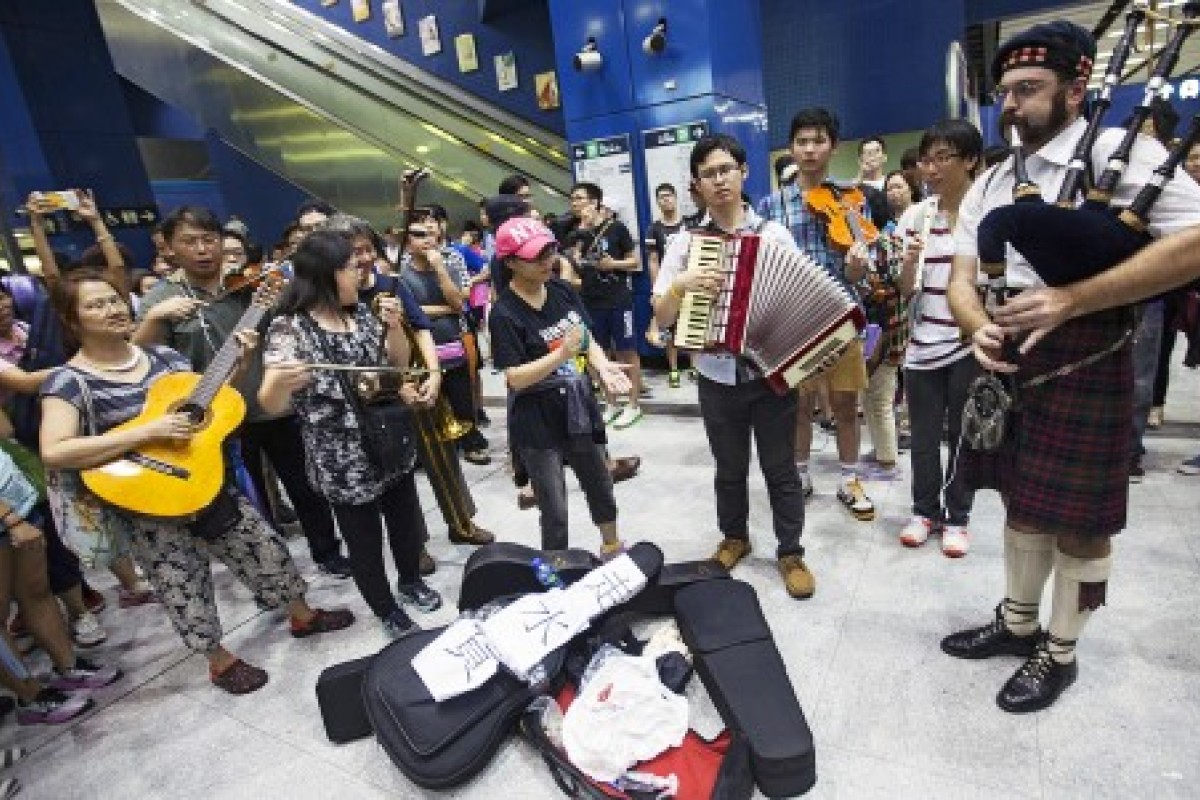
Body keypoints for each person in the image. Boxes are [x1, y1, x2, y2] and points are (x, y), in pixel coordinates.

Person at [945, 20, 1200, 712]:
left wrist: (1073, 298)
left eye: (1030, 89)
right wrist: (975, 327)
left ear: (1076, 88)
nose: (1013, 106)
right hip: (1007, 357)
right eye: (1006, 92)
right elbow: (961, 274)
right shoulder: (993, 177)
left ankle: (1060, 654)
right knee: (1022, 504)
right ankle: (1018, 623)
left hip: (1089, 354)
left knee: (1081, 521)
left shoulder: (1125, 154)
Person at [41, 269, 354, 694]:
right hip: (146, 503)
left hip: (205, 481)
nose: (112, 309)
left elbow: (209, 405)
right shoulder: (69, 381)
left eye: (114, 299)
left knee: (264, 549)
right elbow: (55, 450)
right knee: (181, 584)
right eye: (95, 304)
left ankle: (302, 613)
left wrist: (240, 363)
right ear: (70, 319)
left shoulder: (164, 359)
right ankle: (218, 660)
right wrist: (147, 432)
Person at [135, 207, 354, 581]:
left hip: (273, 408)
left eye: (210, 239)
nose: (203, 249)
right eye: (190, 242)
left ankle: (327, 551)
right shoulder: (162, 298)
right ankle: (270, 568)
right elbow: (143, 356)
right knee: (247, 499)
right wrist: (156, 319)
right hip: (214, 419)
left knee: (306, 484)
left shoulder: (249, 283)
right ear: (169, 248)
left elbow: (294, 324)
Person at [261, 232, 442, 639]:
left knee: (406, 522)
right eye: (351, 267)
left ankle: (411, 580)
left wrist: (394, 327)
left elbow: (394, 366)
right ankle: (386, 608)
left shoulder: (360, 314)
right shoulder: (289, 329)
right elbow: (271, 403)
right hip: (341, 456)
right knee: (364, 540)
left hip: (387, 435)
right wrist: (280, 384)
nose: (362, 273)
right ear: (326, 274)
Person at [654, 134, 812, 599]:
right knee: (728, 467)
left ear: (743, 172)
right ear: (697, 186)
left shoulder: (774, 235)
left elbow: (801, 298)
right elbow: (661, 316)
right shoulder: (686, 242)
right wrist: (681, 284)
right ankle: (734, 537)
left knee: (781, 468)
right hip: (716, 374)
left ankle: (791, 551)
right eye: (708, 173)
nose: (719, 179)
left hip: (770, 375)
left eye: (726, 169)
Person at [333, 214, 495, 562]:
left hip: (416, 379)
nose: (361, 259)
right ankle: (415, 545)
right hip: (373, 397)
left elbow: (421, 328)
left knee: (443, 459)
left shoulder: (389, 283)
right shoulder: (331, 298)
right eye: (351, 252)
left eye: (366, 250)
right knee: (399, 474)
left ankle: (462, 522)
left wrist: (434, 375)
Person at [758, 107, 875, 521]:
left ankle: (849, 478)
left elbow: (865, 269)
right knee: (798, 408)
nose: (809, 150)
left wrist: (859, 270)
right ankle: (801, 475)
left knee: (846, 405)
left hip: (843, 315)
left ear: (833, 146)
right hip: (794, 324)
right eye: (802, 142)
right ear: (791, 148)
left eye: (818, 141)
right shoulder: (770, 206)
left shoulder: (852, 200)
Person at [489, 217, 630, 556]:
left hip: (578, 406)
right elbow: (515, 377)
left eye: (549, 252)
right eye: (535, 256)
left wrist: (602, 365)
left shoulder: (562, 290)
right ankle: (557, 567)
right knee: (553, 506)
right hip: (536, 418)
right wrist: (561, 354)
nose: (546, 261)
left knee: (599, 483)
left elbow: (583, 337)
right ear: (510, 262)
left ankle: (612, 546)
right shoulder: (504, 313)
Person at [895, 118, 983, 556]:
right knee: (924, 436)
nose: (931, 169)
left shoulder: (985, 214)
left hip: (967, 344)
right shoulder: (917, 215)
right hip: (922, 343)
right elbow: (903, 287)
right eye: (926, 160)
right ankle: (923, 510)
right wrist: (909, 262)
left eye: (942, 158)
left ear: (970, 161)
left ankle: (958, 516)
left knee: (963, 433)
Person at [0, 445, 121, 722]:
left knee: (37, 593)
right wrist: (10, 518)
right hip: (9, 516)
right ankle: (30, 697)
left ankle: (68, 667)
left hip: (18, 500)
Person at [400, 215, 491, 465]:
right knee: (428, 396)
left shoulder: (448, 264)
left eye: (429, 234)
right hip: (420, 346)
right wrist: (443, 309)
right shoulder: (402, 274)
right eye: (418, 235)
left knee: (462, 396)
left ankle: (470, 442)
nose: (427, 239)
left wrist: (440, 269)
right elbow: (408, 312)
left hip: (453, 341)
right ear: (407, 243)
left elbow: (459, 303)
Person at [564, 182, 645, 429]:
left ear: (595, 202)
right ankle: (611, 403)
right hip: (591, 300)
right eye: (573, 199)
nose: (575, 203)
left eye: (580, 198)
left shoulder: (616, 228)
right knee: (599, 353)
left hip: (619, 300)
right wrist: (581, 236)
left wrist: (614, 265)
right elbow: (574, 264)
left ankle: (633, 404)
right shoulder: (576, 232)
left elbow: (635, 261)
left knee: (626, 351)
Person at [644, 183, 688, 388]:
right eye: (661, 197)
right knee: (669, 330)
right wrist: (656, 290)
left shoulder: (688, 224)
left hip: (689, 282)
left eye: (669, 195)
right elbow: (653, 260)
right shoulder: (654, 229)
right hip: (668, 287)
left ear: (676, 197)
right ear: (657, 201)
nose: (666, 200)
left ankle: (696, 367)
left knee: (690, 324)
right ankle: (674, 369)